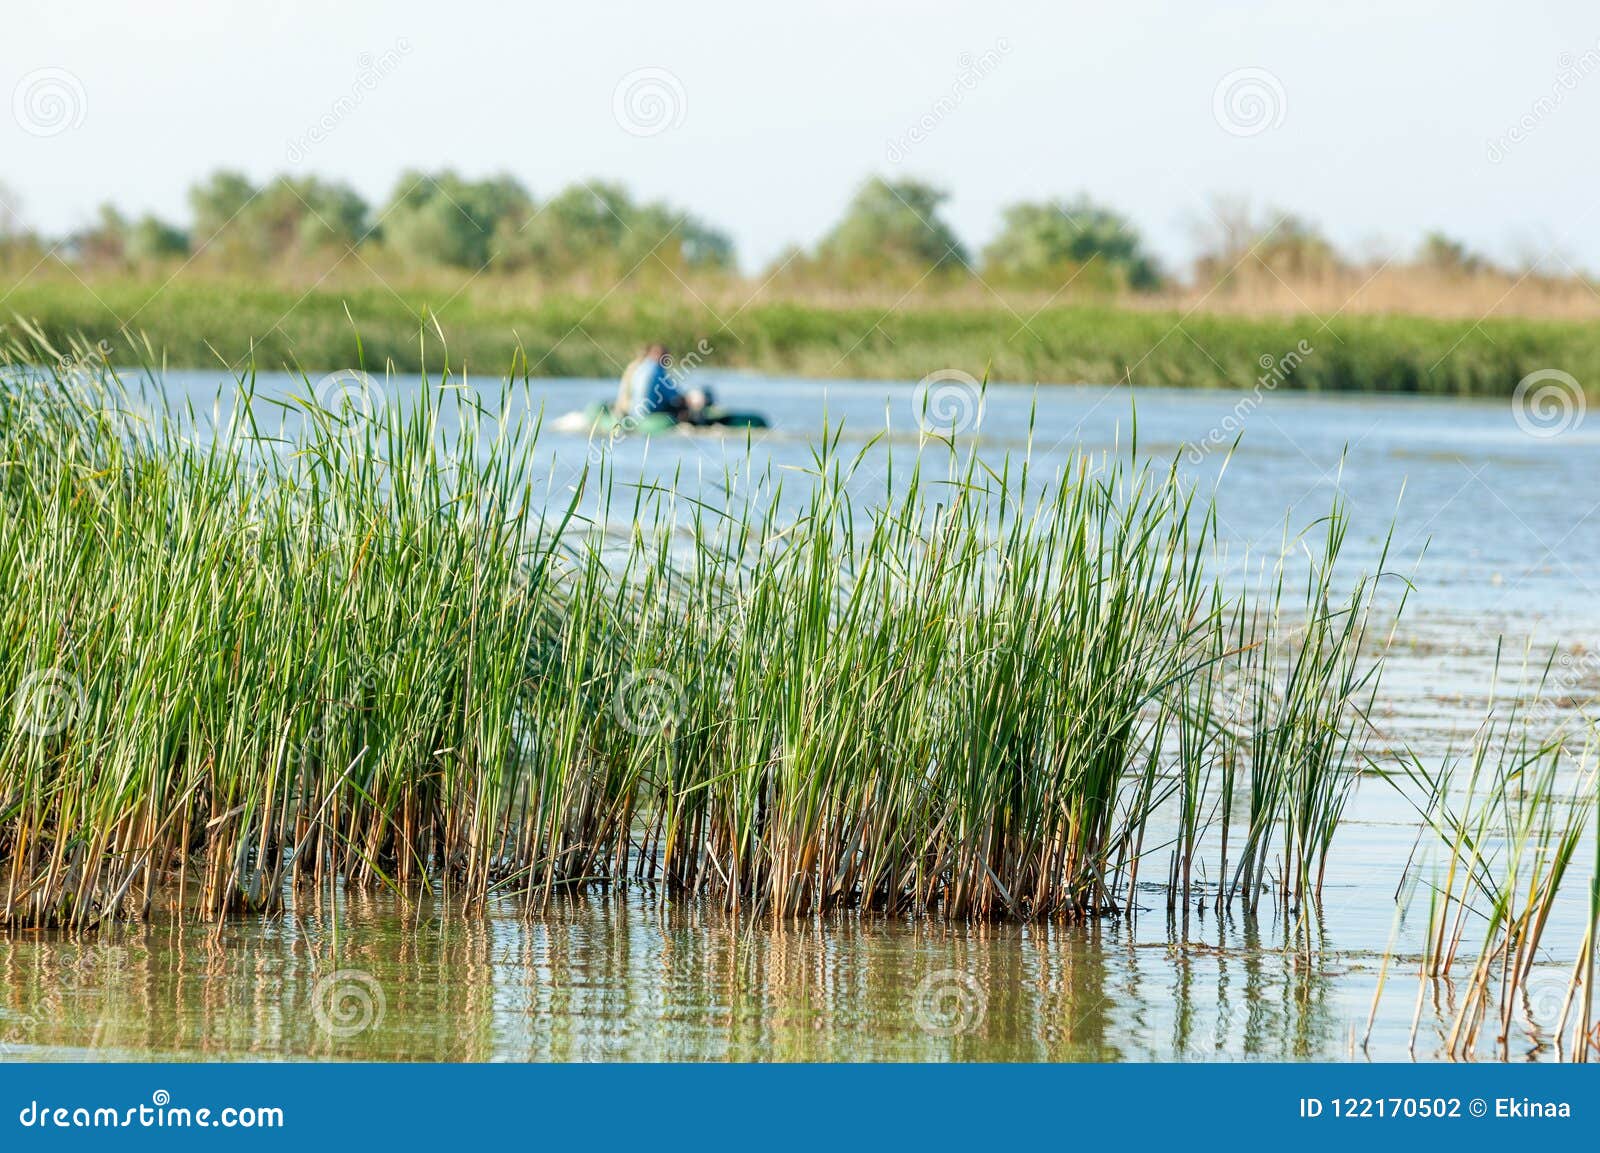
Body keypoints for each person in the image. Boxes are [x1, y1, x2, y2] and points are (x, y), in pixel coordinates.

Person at [615, 343, 713, 424]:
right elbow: (675, 397)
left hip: (632, 413)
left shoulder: (637, 367)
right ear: (661, 356)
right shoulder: (656, 370)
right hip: (648, 415)